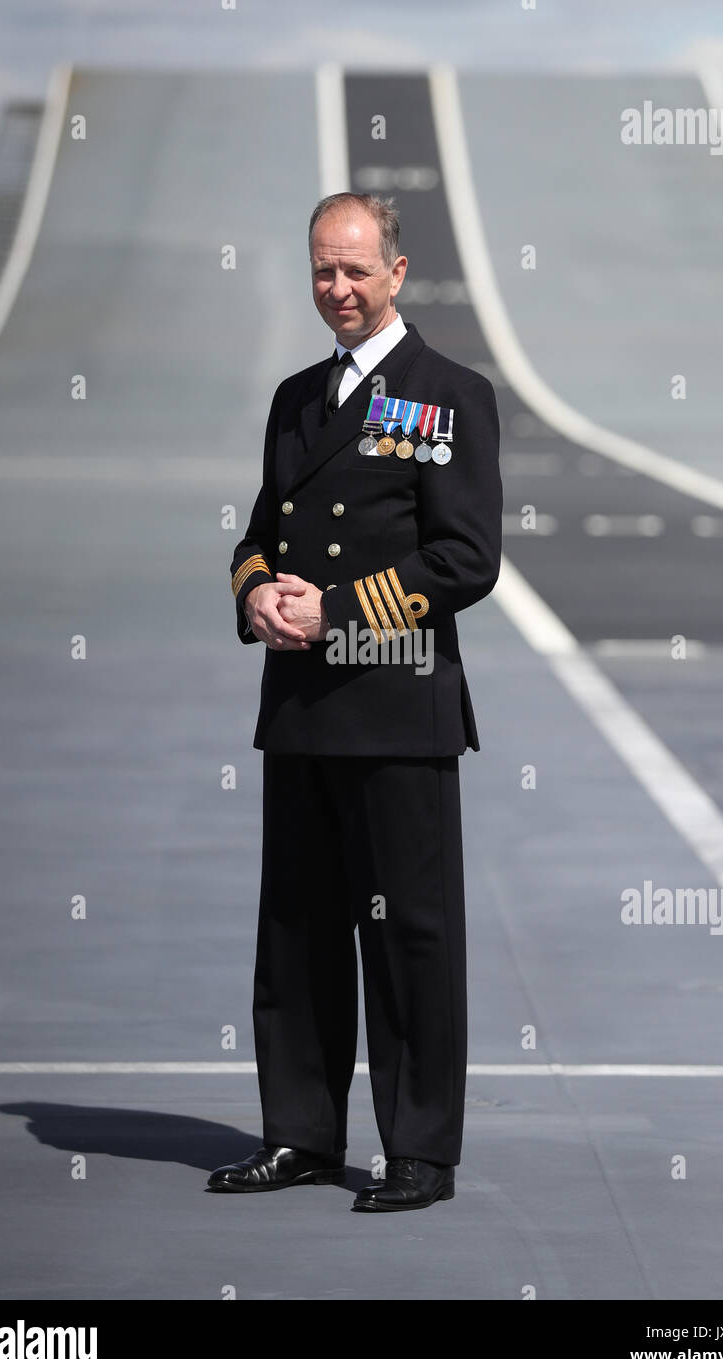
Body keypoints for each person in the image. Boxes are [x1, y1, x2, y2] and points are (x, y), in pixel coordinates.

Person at [207, 192, 503, 1212]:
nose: (336, 289)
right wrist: (254, 595)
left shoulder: (446, 394)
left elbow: (465, 558)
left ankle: (420, 1149)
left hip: (394, 699)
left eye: (353, 270)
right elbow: (256, 533)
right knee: (294, 928)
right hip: (298, 706)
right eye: (321, 272)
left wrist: (328, 611)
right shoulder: (297, 399)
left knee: (408, 933)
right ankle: (298, 1134)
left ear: (396, 271)